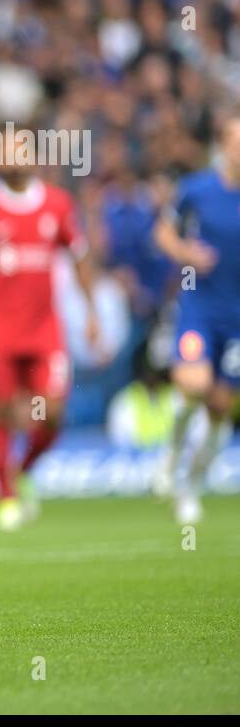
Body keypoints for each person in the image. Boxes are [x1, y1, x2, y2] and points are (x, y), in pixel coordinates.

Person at [0, 130, 102, 531]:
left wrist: (92, 311)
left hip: (45, 330)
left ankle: (21, 470)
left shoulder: (58, 205)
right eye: (6, 150)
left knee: (53, 412)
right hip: (0, 330)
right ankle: (6, 497)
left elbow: (79, 258)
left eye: (21, 148)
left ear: (35, 156)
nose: (14, 156)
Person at [152, 113, 240, 525]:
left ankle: (190, 485)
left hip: (236, 318)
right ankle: (171, 455)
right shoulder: (196, 190)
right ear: (222, 145)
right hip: (199, 308)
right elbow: (164, 233)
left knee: (221, 407)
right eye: (235, 140)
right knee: (193, 383)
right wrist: (188, 255)